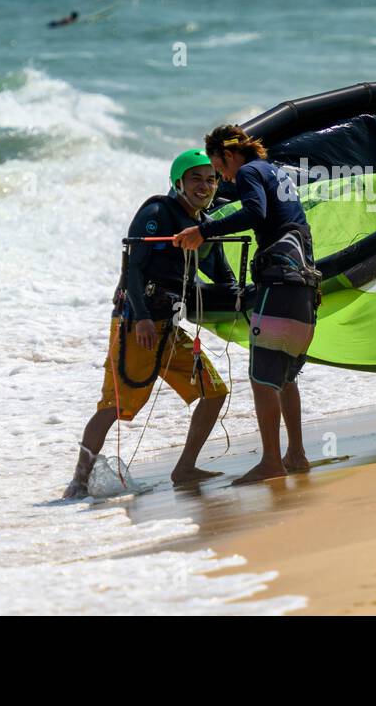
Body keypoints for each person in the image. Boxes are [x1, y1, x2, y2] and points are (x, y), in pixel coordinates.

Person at [63, 150, 238, 498]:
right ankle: (78, 482)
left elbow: (223, 276)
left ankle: (184, 467)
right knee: (115, 406)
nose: (205, 186)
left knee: (214, 392)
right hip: (136, 325)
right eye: (196, 179)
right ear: (178, 183)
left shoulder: (205, 225)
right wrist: (141, 317)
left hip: (169, 330)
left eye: (211, 179)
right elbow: (133, 270)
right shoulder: (156, 212)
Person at [174, 125, 319, 484]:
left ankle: (272, 461)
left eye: (217, 166)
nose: (221, 177)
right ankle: (296, 454)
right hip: (303, 285)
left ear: (228, 154)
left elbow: (255, 212)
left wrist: (203, 231)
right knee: (284, 377)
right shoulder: (276, 172)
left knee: (261, 379)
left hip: (281, 284)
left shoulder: (251, 171)